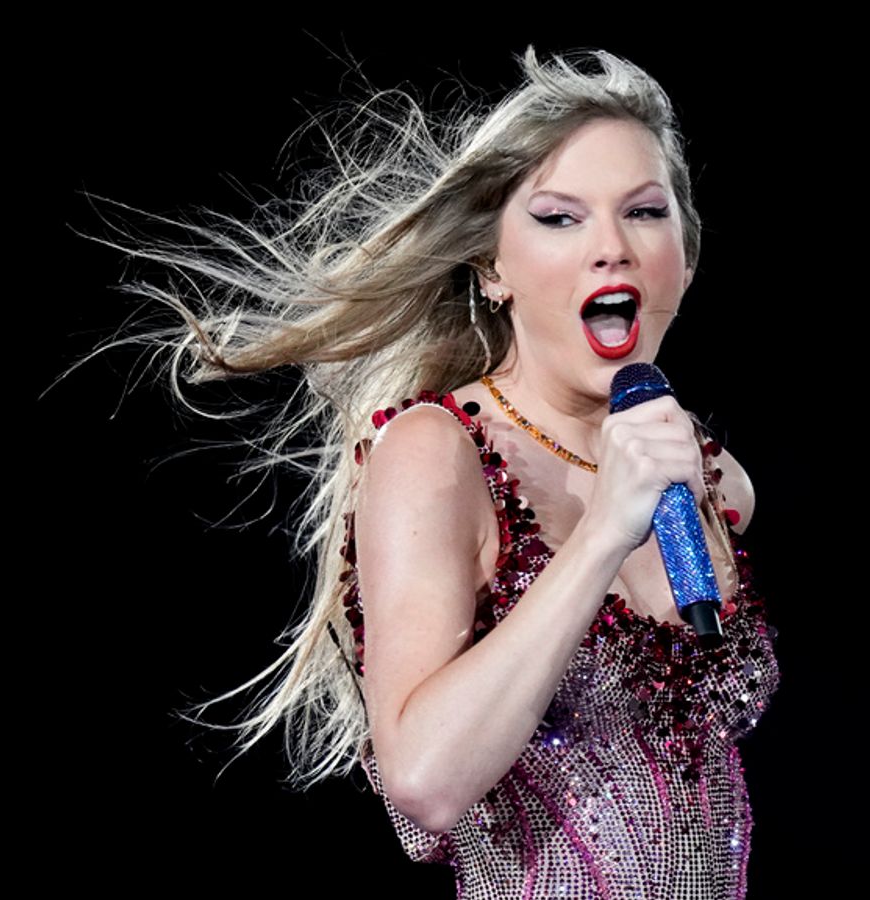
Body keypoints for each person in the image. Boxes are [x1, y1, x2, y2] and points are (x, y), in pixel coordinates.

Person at [66, 45, 780, 898]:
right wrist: (599, 538)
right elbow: (428, 781)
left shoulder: (707, 477)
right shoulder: (437, 451)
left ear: (686, 263)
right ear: (493, 271)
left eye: (645, 213)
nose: (612, 249)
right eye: (560, 218)